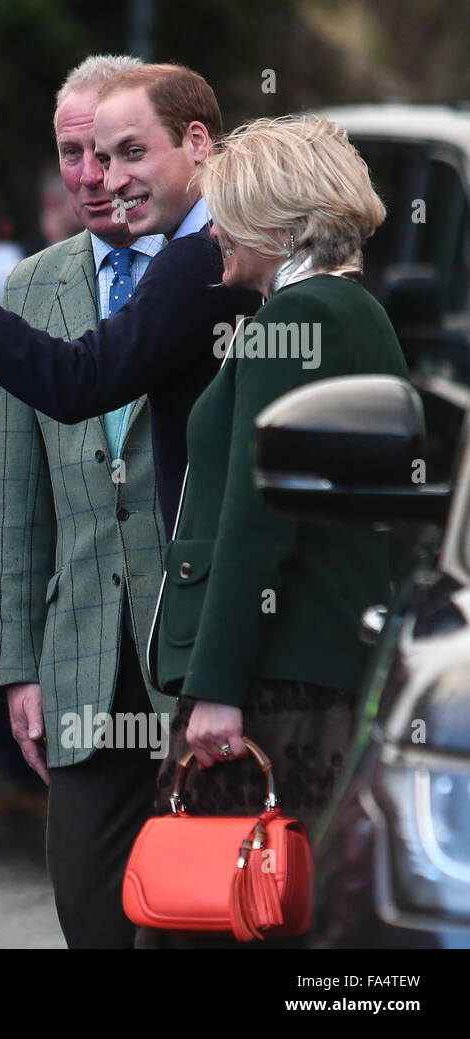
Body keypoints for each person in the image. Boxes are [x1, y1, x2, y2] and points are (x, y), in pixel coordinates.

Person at [149, 117, 407, 934]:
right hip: (320, 669)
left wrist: (216, 689)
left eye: (226, 213)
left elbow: (259, 518)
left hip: (271, 684)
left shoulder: (289, 326)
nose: (214, 232)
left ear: (277, 223)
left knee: (219, 913)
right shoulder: (361, 313)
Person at [0, 63, 264, 532]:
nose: (105, 180)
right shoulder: (33, 280)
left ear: (196, 142)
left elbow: (76, 380)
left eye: (130, 152)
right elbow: (18, 487)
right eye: (80, 154)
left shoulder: (208, 255)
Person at [0, 54, 173, 949]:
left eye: (108, 152)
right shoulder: (31, 286)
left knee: (202, 914)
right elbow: (15, 500)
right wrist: (15, 664)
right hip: (81, 654)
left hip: (197, 662)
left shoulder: (224, 267)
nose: (91, 179)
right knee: (91, 918)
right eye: (71, 154)